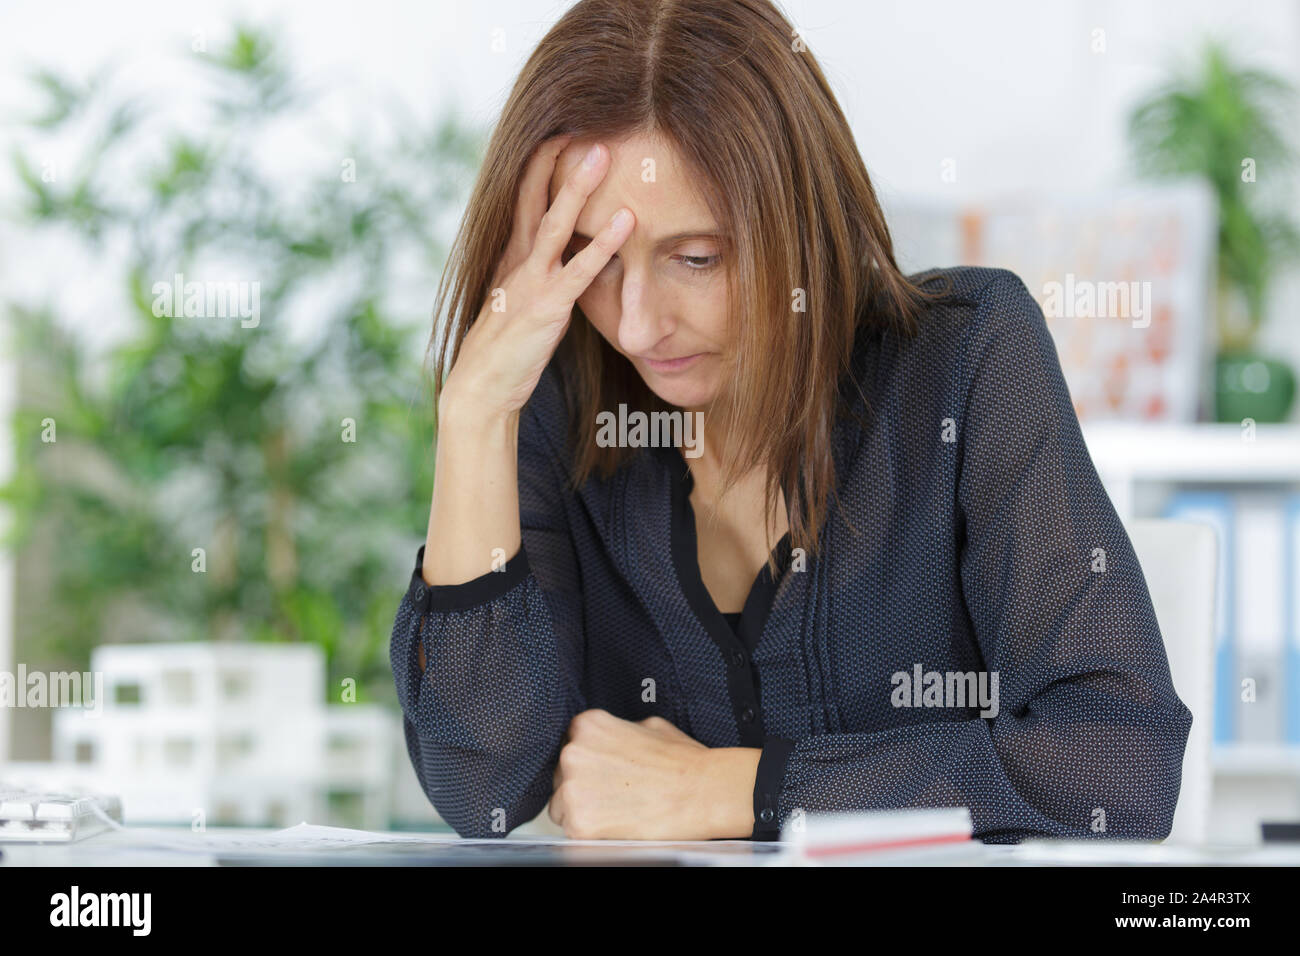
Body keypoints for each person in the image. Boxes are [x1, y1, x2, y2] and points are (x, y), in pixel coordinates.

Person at [389, 0, 1192, 842]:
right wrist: (474, 415)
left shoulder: (967, 357)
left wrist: (736, 789)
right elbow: (483, 786)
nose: (634, 325)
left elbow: (1120, 759)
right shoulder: (554, 402)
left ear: (799, 227)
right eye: (592, 259)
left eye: (696, 259)